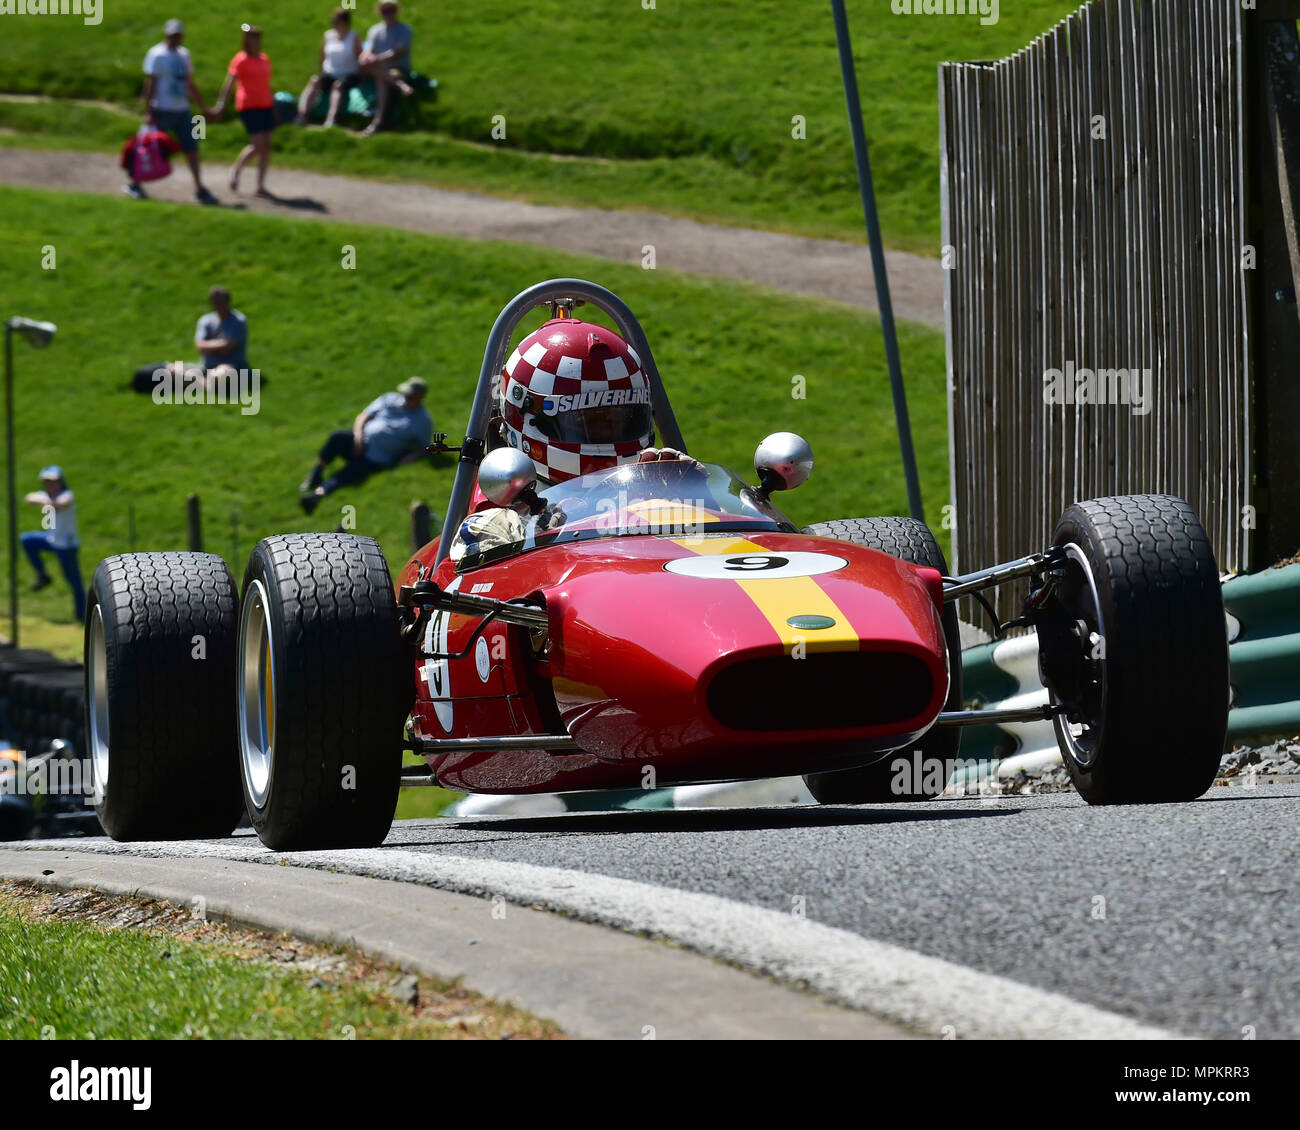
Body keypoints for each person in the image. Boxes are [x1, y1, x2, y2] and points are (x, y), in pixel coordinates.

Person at [300, 378, 433, 513]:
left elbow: (424, 448)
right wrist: (358, 437)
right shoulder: (389, 399)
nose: (406, 398)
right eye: (405, 394)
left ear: (420, 398)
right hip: (360, 440)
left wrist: (408, 459)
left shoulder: (422, 421)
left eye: (410, 396)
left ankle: (317, 495)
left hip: (377, 457)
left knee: (348, 473)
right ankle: (316, 474)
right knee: (336, 438)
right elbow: (364, 416)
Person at [131, 18, 219, 204]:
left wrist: (203, 107)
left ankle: (199, 188)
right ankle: (135, 183)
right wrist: (149, 110)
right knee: (151, 148)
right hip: (162, 109)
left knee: (192, 148)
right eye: (172, 36)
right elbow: (150, 83)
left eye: (178, 36)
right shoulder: (157, 55)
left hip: (182, 110)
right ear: (166, 35)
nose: (175, 39)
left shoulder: (184, 55)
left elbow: (189, 83)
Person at [213, 24, 276, 196]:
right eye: (251, 38)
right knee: (258, 145)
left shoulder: (264, 59)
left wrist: (273, 106)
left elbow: (266, 84)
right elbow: (229, 84)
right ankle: (236, 170)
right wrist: (221, 106)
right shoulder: (240, 59)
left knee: (267, 145)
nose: (255, 41)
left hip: (265, 105)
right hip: (248, 105)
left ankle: (260, 185)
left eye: (257, 38)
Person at [21, 467, 85, 622]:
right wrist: (46, 499)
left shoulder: (66, 495)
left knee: (74, 581)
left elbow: (63, 503)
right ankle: (43, 575)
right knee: (27, 540)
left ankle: (82, 616)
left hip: (67, 545)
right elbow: (29, 497)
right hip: (52, 540)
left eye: (54, 482)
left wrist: (47, 501)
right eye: (47, 482)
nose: (51, 485)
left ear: (61, 482)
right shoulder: (48, 496)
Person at [298, 9, 362, 128]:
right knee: (314, 81)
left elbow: (360, 56)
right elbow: (322, 55)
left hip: (349, 74)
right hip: (330, 72)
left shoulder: (353, 36)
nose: (335, 24)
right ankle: (302, 115)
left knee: (337, 86)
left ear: (345, 22)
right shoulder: (328, 35)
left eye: (338, 22)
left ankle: (331, 118)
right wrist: (321, 71)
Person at [359, 1, 414, 137]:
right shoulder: (375, 30)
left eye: (390, 10)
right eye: (385, 11)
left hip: (398, 68)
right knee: (368, 65)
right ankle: (400, 85)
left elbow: (398, 52)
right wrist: (367, 57)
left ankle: (377, 121)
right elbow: (369, 50)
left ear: (396, 11)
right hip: (378, 67)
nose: (388, 14)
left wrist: (377, 59)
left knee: (380, 79)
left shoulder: (405, 30)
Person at [194, 285, 249, 382]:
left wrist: (209, 347)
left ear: (228, 301)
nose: (218, 305)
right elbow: (200, 346)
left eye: (221, 302)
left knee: (222, 374)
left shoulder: (238, 321)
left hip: (231, 367)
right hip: (206, 367)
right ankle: (205, 383)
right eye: (215, 302)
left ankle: (202, 383)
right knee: (174, 371)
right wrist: (220, 344)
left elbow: (229, 348)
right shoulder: (205, 320)